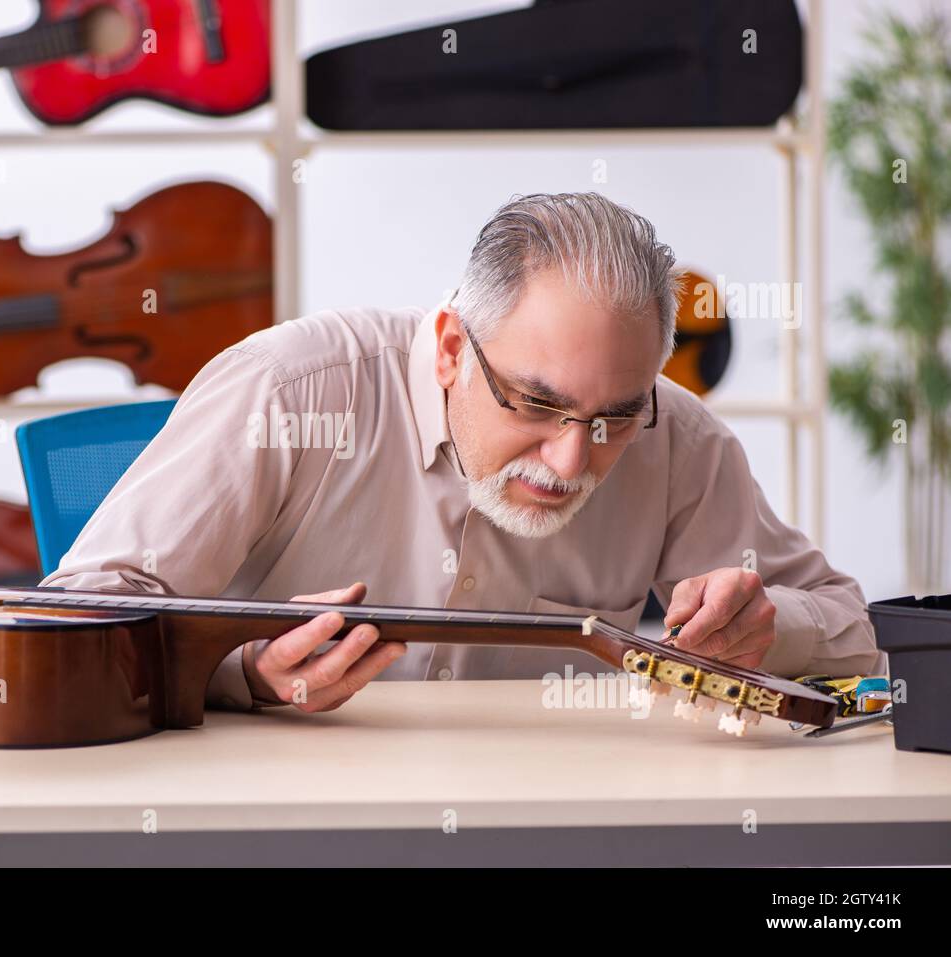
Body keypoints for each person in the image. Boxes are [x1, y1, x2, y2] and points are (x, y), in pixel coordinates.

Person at [43, 192, 882, 716]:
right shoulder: (290, 390)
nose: (566, 462)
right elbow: (76, 621)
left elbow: (859, 640)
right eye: (536, 403)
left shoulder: (678, 436)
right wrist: (244, 674)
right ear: (450, 348)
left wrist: (765, 627)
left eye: (613, 418)